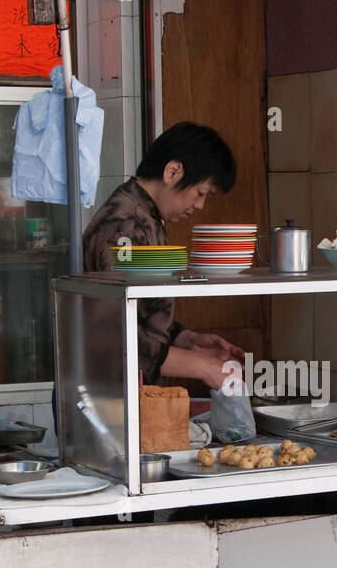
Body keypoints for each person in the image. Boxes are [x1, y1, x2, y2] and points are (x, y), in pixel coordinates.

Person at [82, 121, 246, 389]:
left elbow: (139, 315)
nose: (200, 205)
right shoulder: (124, 226)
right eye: (201, 193)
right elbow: (113, 335)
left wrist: (184, 339)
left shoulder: (147, 217)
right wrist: (202, 366)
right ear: (173, 171)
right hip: (107, 395)